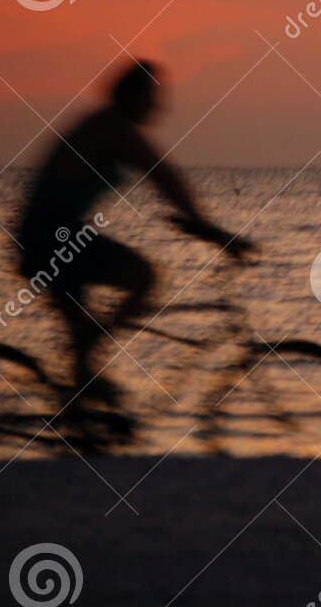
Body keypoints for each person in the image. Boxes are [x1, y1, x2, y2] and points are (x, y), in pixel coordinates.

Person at [13, 59, 252, 440]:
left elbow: (164, 182)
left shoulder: (107, 126)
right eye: (151, 97)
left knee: (83, 350)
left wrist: (197, 225)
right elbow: (165, 178)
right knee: (144, 278)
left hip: (47, 236)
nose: (157, 107)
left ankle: (80, 426)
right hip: (51, 238)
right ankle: (87, 378)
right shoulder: (114, 130)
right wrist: (215, 233)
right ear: (132, 98)